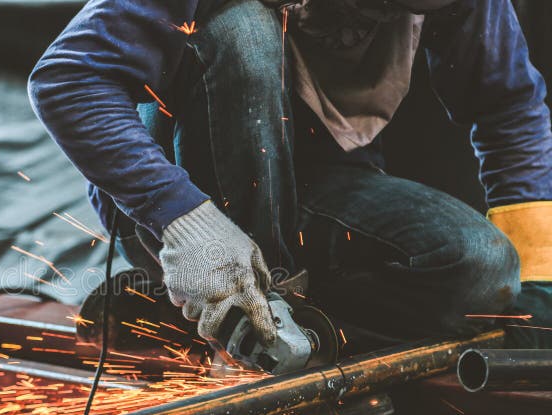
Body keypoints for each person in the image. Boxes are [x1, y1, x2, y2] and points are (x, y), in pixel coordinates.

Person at [29, 0, 552, 351]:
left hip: (323, 183)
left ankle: (281, 333)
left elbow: (507, 107)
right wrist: (186, 222)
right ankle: (242, 315)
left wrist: (537, 277)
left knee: (483, 266)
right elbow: (68, 79)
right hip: (181, 194)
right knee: (243, 29)